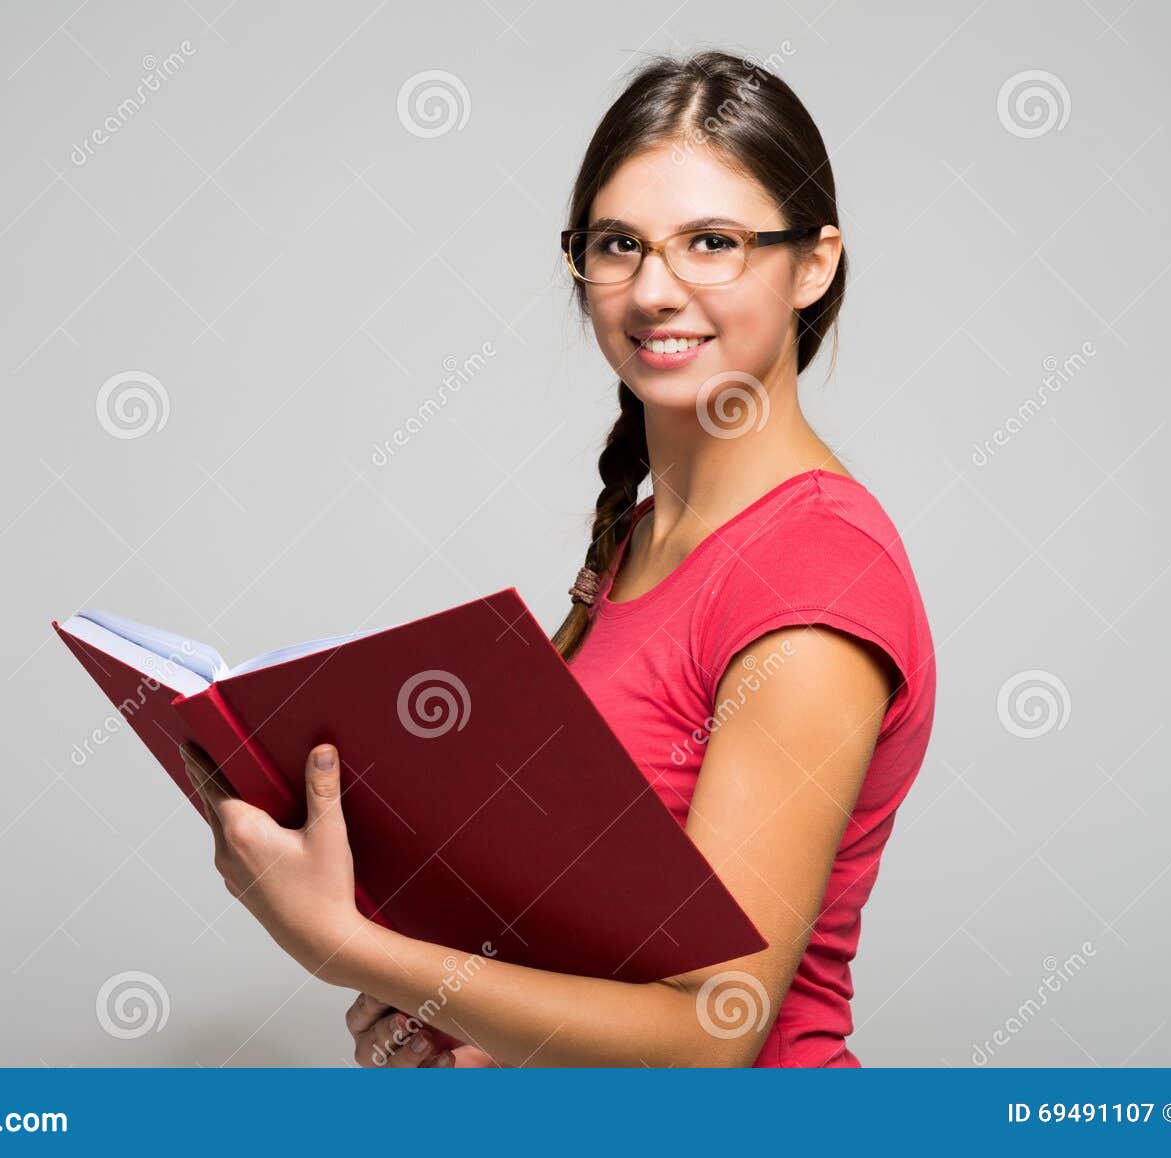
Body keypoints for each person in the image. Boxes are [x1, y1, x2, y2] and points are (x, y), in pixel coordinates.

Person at [180, 49, 936, 1068]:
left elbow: (709, 1034)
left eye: (711, 242)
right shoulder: (639, 539)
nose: (654, 290)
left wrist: (352, 945)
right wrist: (477, 1030)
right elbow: (618, 954)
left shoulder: (811, 583)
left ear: (812, 263)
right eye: (620, 244)